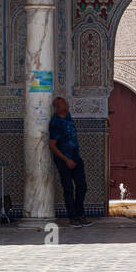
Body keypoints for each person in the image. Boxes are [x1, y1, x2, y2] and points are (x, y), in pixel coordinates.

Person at [49, 95, 90, 226]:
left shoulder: (68, 117)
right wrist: (66, 160)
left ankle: (80, 214)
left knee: (82, 186)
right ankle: (73, 217)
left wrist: (73, 158)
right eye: (63, 104)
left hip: (75, 157)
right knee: (68, 188)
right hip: (63, 160)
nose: (66, 106)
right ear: (57, 108)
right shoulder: (55, 123)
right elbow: (52, 145)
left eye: (66, 103)